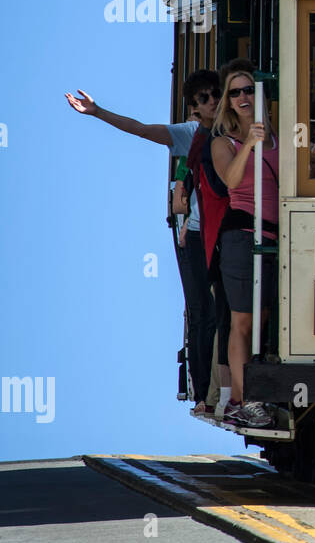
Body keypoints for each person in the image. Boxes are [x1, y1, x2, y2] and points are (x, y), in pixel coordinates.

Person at [65, 71, 222, 415]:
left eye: (215, 94)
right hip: (197, 234)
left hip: (230, 233)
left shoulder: (241, 131)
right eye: (204, 99)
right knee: (201, 313)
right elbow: (140, 128)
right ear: (195, 108)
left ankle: (232, 389)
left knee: (230, 312)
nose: (213, 101)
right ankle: (203, 396)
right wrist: (98, 111)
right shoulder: (192, 133)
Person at [211, 66, 280, 427]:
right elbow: (230, 181)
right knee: (242, 321)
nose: (243, 98)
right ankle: (243, 399)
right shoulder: (224, 142)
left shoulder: (280, 135)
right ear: (228, 101)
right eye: (235, 92)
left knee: (263, 320)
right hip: (241, 235)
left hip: (275, 237)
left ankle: (248, 394)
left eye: (249, 90)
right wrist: (250, 143)